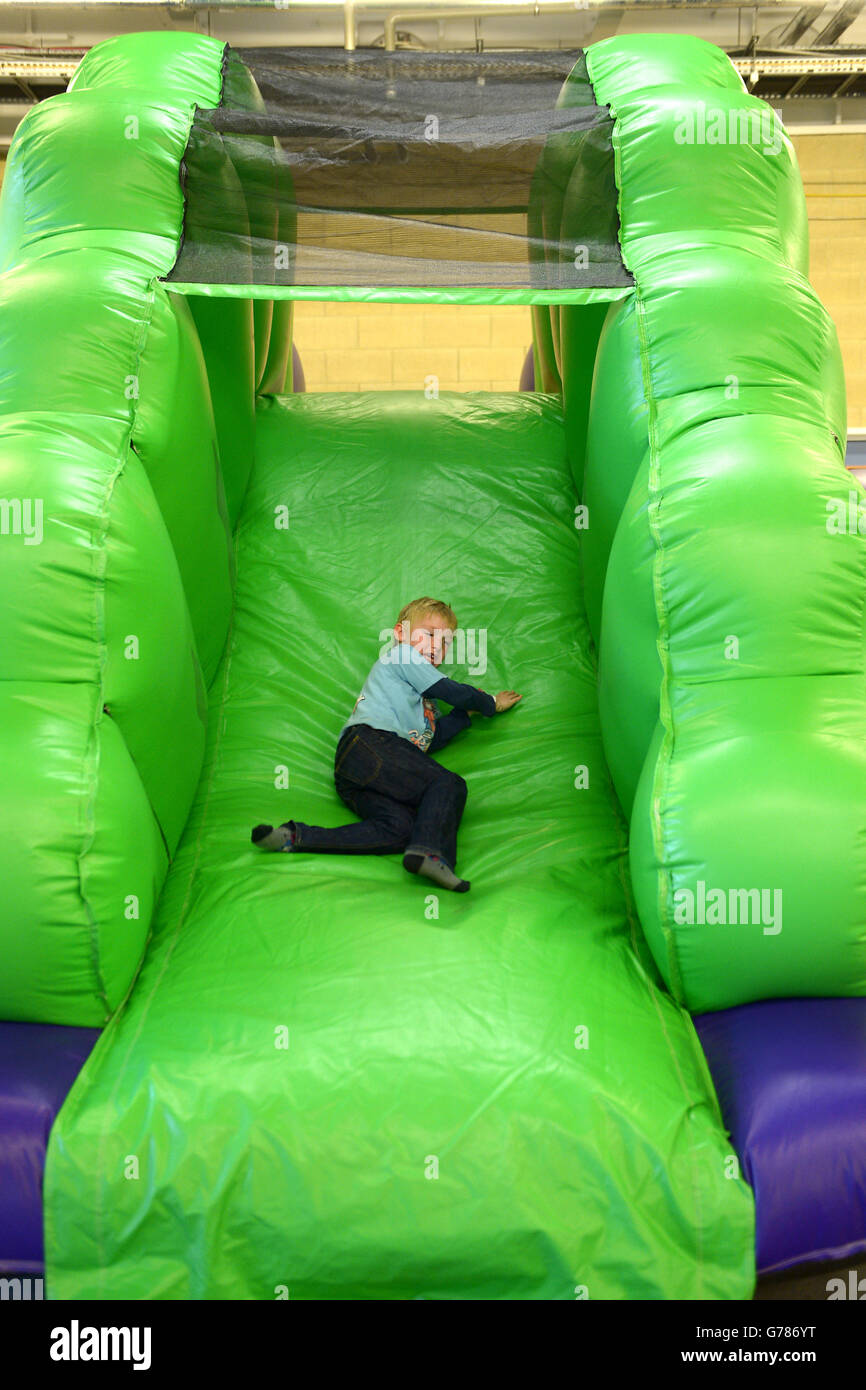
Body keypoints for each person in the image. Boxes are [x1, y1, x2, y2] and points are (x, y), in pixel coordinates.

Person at [250, 597, 522, 892]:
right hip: (370, 744)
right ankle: (433, 853)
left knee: (401, 830)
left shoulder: (423, 703)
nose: (437, 646)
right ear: (401, 634)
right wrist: (489, 703)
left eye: (445, 642)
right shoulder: (401, 657)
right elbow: (449, 689)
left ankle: (294, 837)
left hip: (357, 776)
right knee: (448, 784)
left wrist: (463, 715)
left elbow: (429, 740)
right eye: (430, 634)